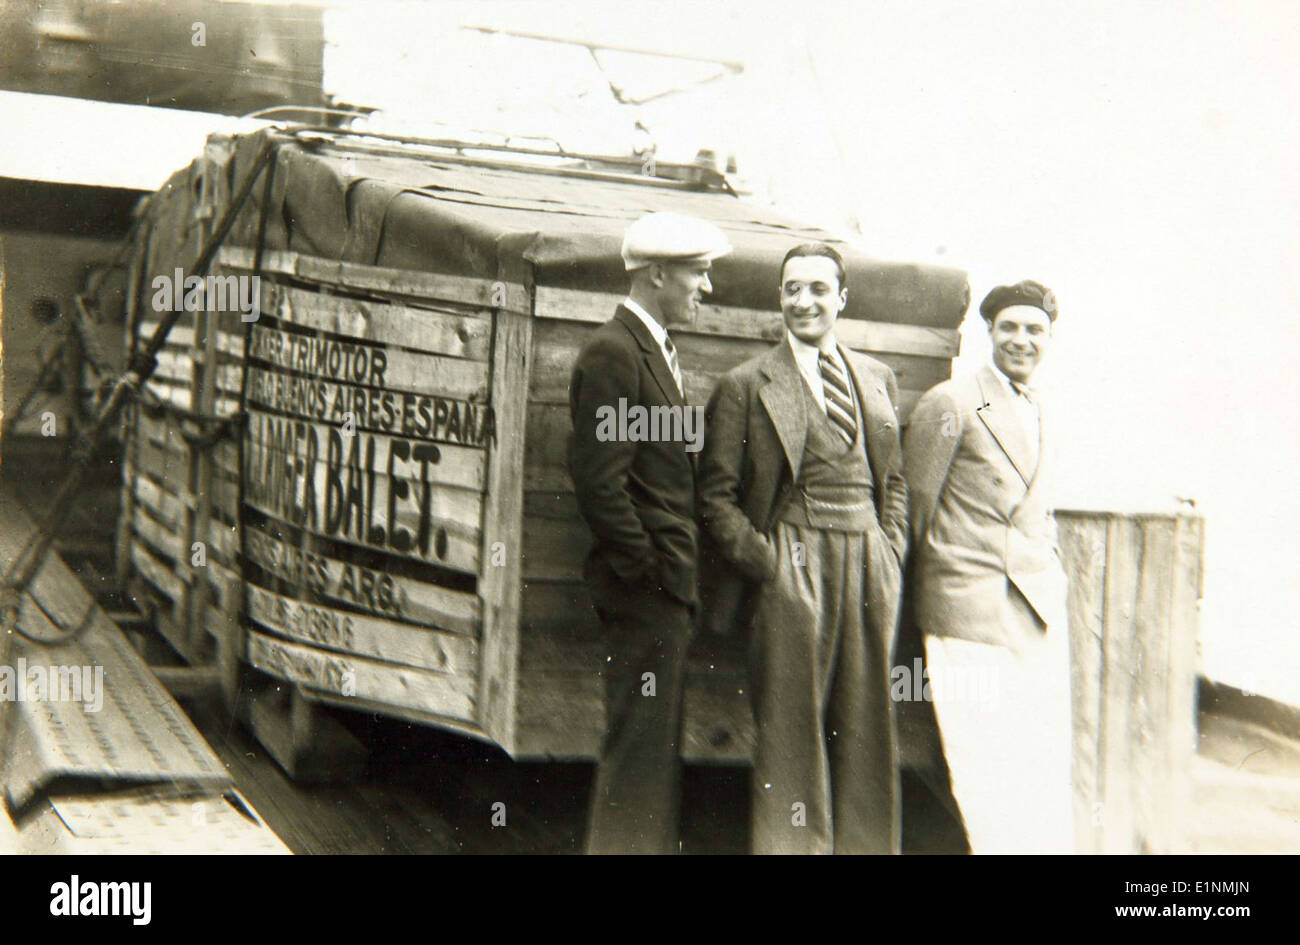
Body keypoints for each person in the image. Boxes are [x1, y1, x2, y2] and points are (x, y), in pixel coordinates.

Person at [697, 242, 908, 854]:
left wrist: (890, 550)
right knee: (791, 731)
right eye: (792, 289)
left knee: (870, 725)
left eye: (818, 289)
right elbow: (715, 497)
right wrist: (768, 564)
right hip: (793, 560)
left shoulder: (876, 377)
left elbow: (892, 479)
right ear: (779, 297)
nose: (804, 301)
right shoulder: (746, 384)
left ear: (842, 298)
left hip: (868, 561)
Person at [568, 210, 731, 854]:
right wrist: (650, 570)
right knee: (639, 752)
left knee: (653, 750)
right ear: (658, 274)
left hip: (664, 588)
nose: (707, 287)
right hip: (647, 590)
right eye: (699, 273)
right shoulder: (614, 353)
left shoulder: (656, 349)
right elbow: (600, 484)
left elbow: (658, 470)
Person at [902, 279, 1073, 853]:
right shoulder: (952, 402)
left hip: (1033, 610)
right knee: (982, 763)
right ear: (990, 332)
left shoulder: (1042, 407)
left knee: (1033, 761)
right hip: (968, 608)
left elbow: (1037, 513)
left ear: (1050, 339)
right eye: (1009, 328)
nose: (1021, 341)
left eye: (1034, 330)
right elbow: (914, 512)